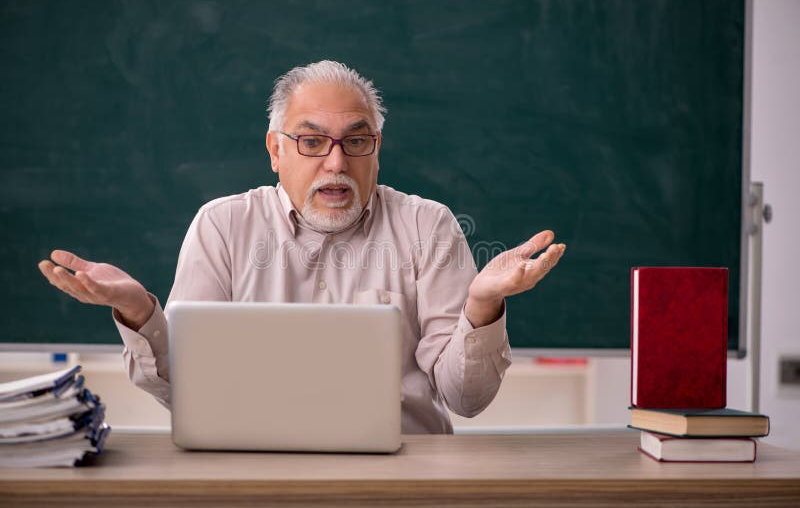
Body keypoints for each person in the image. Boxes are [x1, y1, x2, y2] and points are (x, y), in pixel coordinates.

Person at [38, 61, 566, 434]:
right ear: (275, 150)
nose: (336, 162)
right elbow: (187, 391)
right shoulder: (223, 226)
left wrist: (482, 305)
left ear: (376, 149)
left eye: (356, 141)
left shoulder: (428, 226)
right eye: (311, 142)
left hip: (405, 475)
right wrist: (138, 312)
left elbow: (465, 400)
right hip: (254, 473)